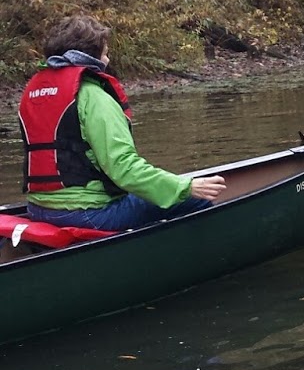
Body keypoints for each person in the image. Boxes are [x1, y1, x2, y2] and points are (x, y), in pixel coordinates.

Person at [19, 16, 226, 231]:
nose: (107, 61)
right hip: (86, 213)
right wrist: (185, 187)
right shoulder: (93, 97)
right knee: (194, 200)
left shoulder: (32, 94)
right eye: (105, 54)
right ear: (90, 57)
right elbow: (124, 167)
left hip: (38, 209)